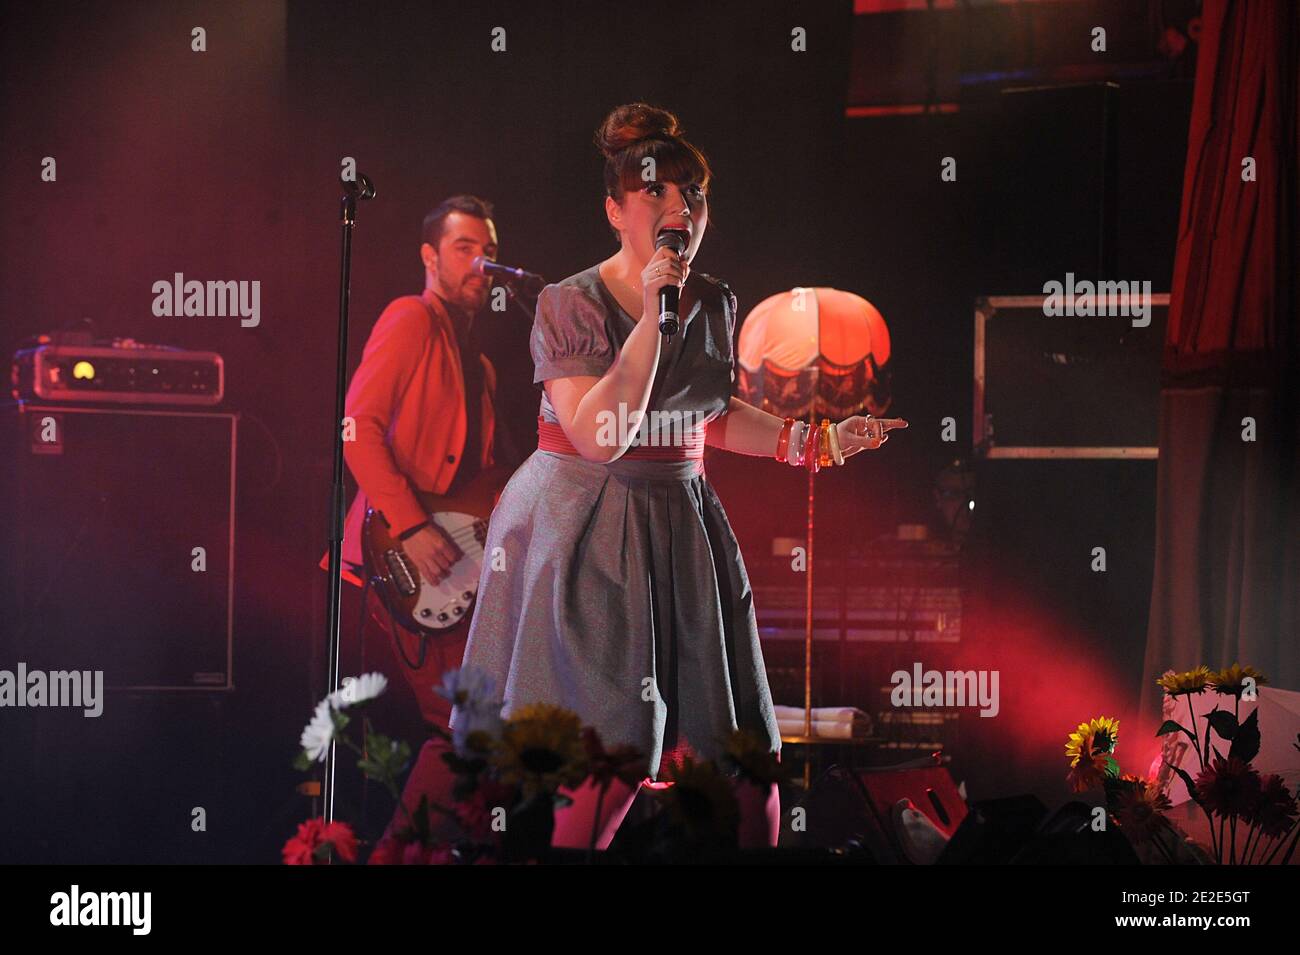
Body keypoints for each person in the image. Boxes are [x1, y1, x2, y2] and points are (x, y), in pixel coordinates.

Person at [451, 104, 907, 849]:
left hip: (680, 519)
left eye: (693, 193)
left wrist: (817, 442)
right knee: (616, 754)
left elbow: (708, 411)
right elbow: (600, 434)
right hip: (587, 523)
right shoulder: (571, 303)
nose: (680, 208)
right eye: (658, 193)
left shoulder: (716, 301)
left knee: (747, 758)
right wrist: (653, 314)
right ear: (615, 209)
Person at [320, 193, 500, 746]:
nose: (480, 263)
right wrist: (413, 526)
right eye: (464, 247)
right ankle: (418, 833)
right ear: (430, 256)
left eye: (489, 251)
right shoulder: (411, 317)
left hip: (446, 565)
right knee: (456, 728)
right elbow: (357, 428)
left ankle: (439, 832)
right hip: (400, 557)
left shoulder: (481, 363)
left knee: (467, 726)